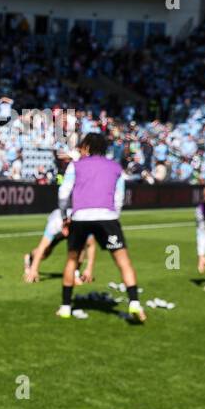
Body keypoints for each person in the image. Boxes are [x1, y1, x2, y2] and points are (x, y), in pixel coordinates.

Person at [56, 132, 146, 322]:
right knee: (123, 261)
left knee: (72, 260)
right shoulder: (115, 167)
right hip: (107, 216)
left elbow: (63, 193)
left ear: (86, 146)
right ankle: (134, 303)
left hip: (80, 216)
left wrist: (65, 216)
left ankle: (65, 306)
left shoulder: (75, 165)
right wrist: (114, 216)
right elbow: (119, 197)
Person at [24, 209, 95, 284]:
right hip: (58, 228)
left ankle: (75, 273)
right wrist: (34, 270)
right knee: (45, 253)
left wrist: (89, 269)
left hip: (74, 228)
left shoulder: (82, 223)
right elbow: (42, 247)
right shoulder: (55, 224)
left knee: (80, 246)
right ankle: (29, 258)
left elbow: (91, 244)